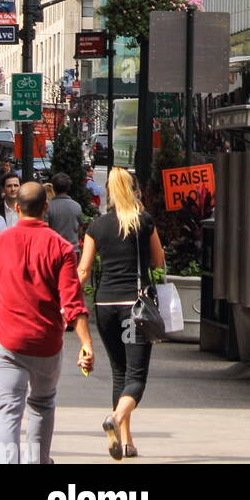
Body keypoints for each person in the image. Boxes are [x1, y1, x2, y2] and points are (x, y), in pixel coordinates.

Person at [0, 180, 94, 464]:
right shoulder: (61, 248)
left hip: (8, 341)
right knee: (41, 404)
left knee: (7, 409)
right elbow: (72, 302)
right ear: (46, 208)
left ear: (17, 208)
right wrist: (86, 343)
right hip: (47, 343)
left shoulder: (0, 244)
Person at [78, 167, 165, 461]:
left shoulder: (97, 226)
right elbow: (158, 260)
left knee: (119, 372)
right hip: (134, 307)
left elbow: (84, 268)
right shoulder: (143, 221)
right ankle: (116, 418)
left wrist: (67, 301)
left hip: (105, 307)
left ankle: (126, 442)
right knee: (136, 376)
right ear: (134, 190)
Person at [46, 173, 83, 259]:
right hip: (73, 250)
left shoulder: (47, 207)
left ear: (53, 188)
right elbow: (80, 230)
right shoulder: (76, 206)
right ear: (68, 188)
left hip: (54, 250)